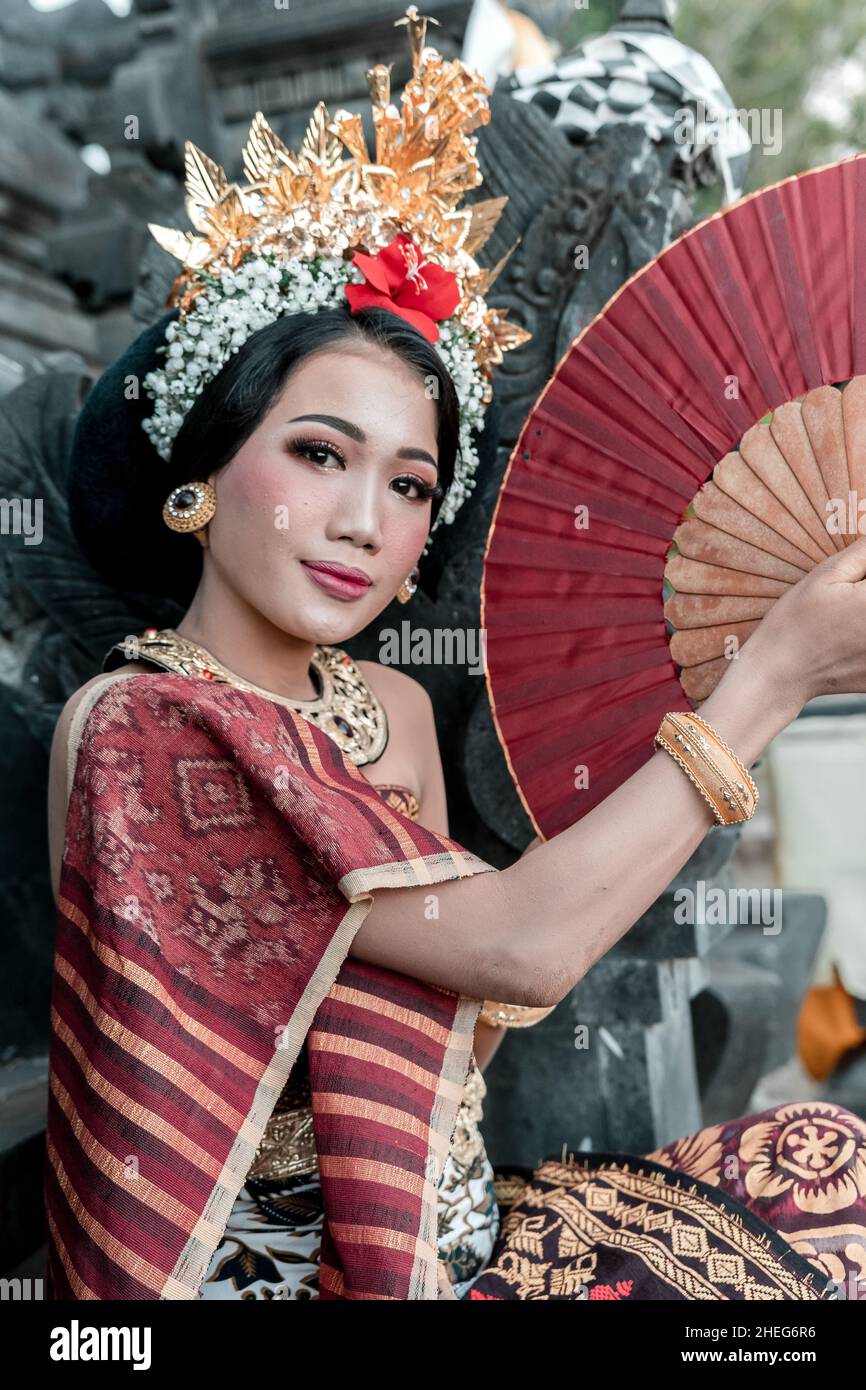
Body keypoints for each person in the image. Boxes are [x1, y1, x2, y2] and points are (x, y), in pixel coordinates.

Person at [43, 9, 866, 1302]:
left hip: (449, 1221)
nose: (366, 521)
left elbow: (463, 1023)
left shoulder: (383, 708)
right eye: (318, 454)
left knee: (832, 1163)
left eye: (412, 482)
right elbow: (512, 949)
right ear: (199, 475)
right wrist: (767, 675)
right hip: (285, 1272)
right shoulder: (142, 726)